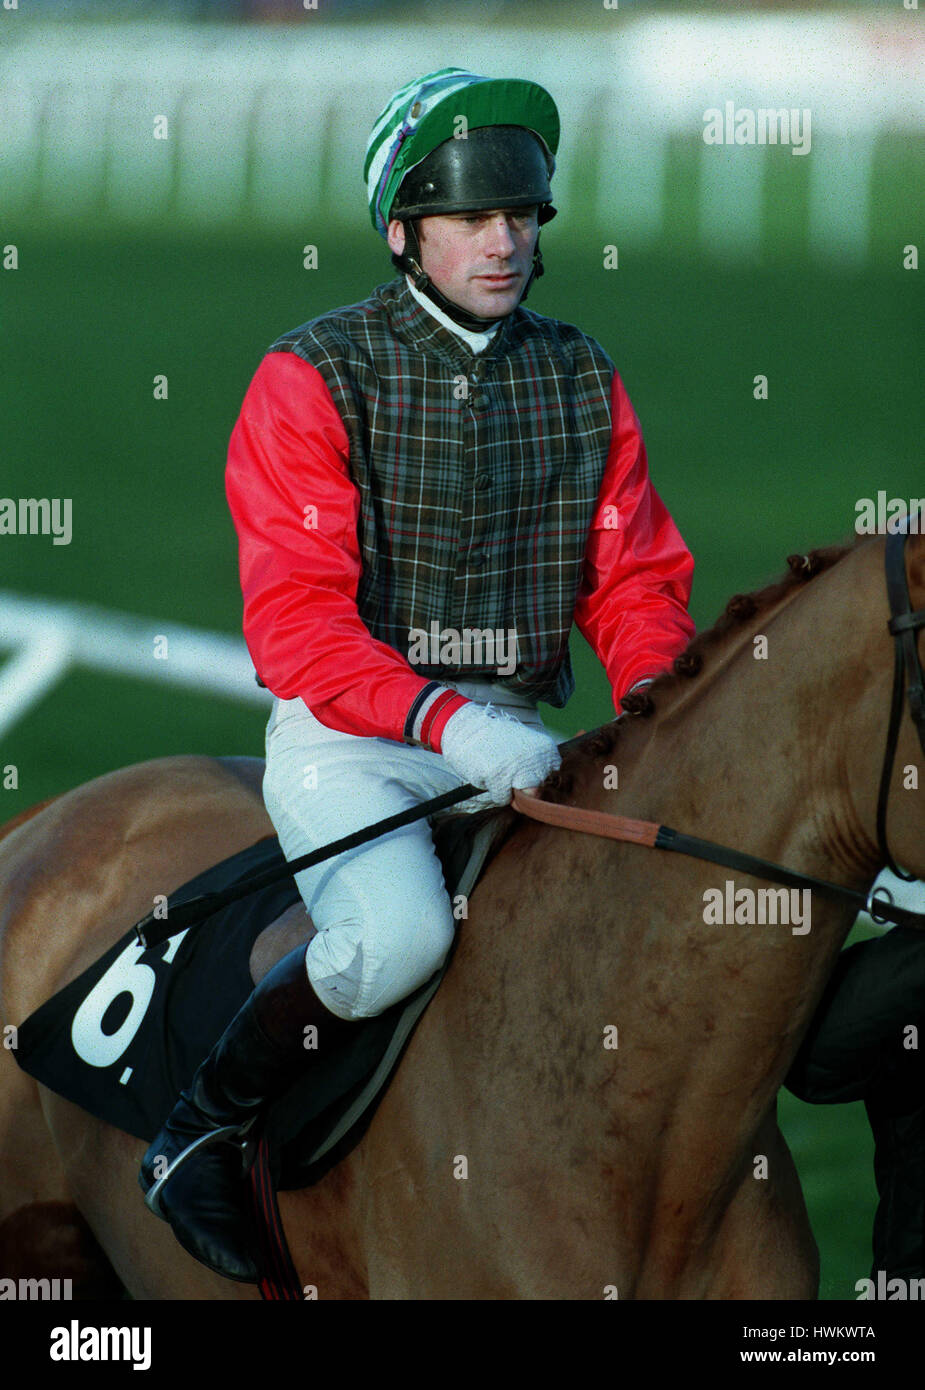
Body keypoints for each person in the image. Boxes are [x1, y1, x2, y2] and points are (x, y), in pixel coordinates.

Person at [138, 67, 696, 1283]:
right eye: (470, 218)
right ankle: (201, 1131)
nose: (503, 242)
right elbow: (297, 624)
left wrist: (661, 716)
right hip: (352, 741)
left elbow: (634, 584)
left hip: (522, 739)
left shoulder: (583, 374)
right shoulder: (309, 375)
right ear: (402, 233)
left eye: (521, 216)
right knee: (397, 938)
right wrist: (446, 721)